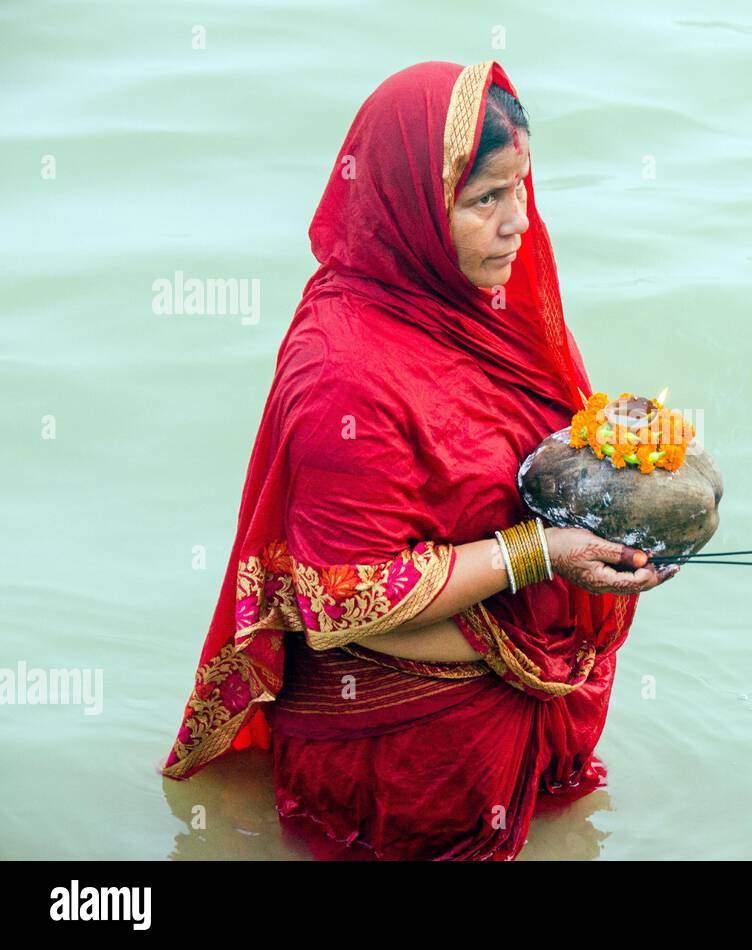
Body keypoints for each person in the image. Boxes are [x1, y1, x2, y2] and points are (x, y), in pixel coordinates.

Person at [158, 59, 680, 860]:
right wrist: (542, 556)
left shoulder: (493, 302)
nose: (518, 223)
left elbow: (543, 451)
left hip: (520, 704)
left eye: (521, 188)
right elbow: (339, 604)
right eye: (484, 201)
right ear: (411, 207)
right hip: (404, 758)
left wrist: (628, 506)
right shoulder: (343, 369)